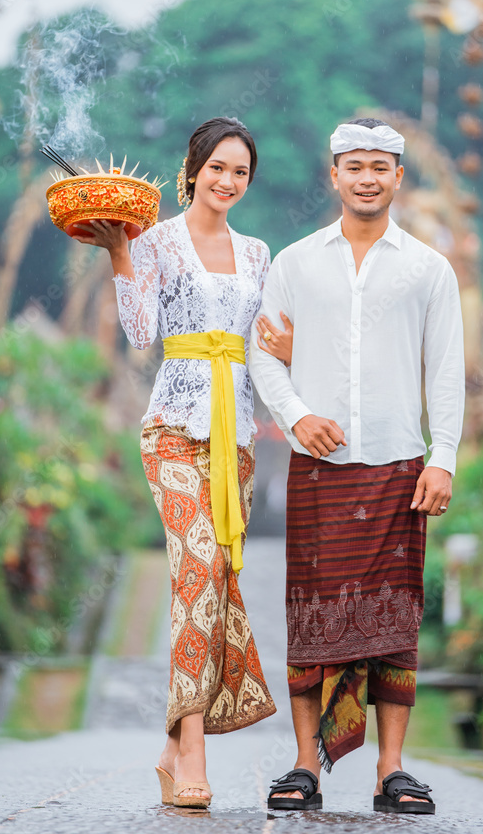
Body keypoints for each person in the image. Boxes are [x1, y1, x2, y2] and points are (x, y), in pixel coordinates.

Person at [71, 117, 290, 809]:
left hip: (237, 439)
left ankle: (169, 750)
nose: (228, 182)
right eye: (217, 168)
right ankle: (193, 749)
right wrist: (118, 256)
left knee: (219, 576)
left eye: (240, 173)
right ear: (190, 170)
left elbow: (262, 347)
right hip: (173, 427)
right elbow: (141, 334)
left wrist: (286, 354)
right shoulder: (157, 240)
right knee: (195, 569)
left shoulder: (257, 253)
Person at [249, 118, 465, 816]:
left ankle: (391, 771)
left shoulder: (428, 268)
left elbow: (447, 373)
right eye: (353, 166)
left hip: (400, 467)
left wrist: (444, 459)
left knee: (394, 622)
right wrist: (295, 415)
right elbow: (261, 352)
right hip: (319, 466)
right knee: (311, 616)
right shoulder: (294, 262)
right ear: (333, 175)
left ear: (398, 177)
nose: (366, 177)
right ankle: (304, 763)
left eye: (380, 165)